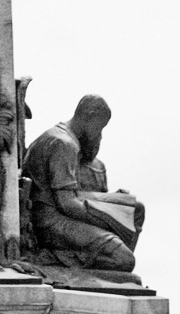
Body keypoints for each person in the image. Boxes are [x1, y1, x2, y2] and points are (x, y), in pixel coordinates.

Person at [22, 95, 144, 272]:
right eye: (100, 127)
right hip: (50, 222)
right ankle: (51, 260)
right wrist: (112, 218)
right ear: (89, 116)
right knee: (124, 260)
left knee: (133, 208)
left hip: (59, 212)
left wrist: (114, 201)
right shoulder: (64, 143)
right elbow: (67, 204)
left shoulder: (62, 138)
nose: (99, 134)